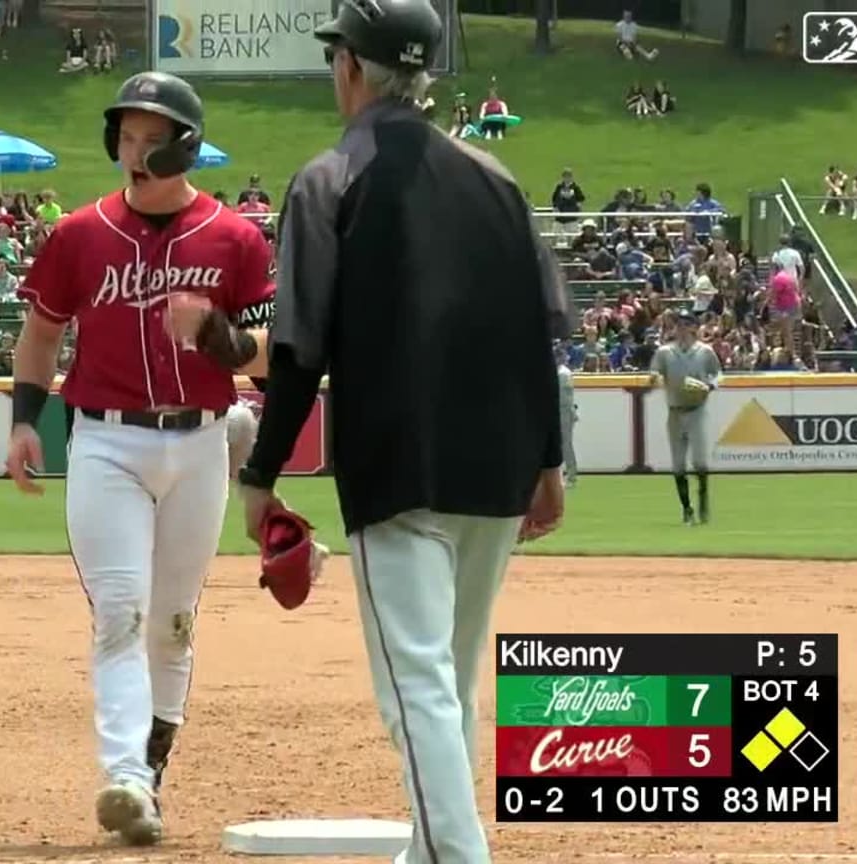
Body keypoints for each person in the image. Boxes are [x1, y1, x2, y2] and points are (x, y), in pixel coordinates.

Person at [229, 1, 568, 860]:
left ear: (349, 66)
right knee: (448, 681)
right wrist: (549, 461)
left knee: (414, 688)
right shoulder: (497, 178)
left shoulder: (329, 179)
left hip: (398, 464)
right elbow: (539, 333)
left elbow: (299, 348)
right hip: (498, 470)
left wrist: (260, 473)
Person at [3, 70, 276, 847]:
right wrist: (24, 421)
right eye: (126, 136)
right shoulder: (80, 234)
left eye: (152, 138)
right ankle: (123, 772)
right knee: (120, 608)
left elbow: (269, 357)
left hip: (200, 441)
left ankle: (149, 775)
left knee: (174, 622)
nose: (135, 151)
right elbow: (42, 335)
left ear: (185, 146)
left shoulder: (235, 238)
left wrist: (216, 334)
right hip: (106, 441)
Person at [649, 309, 721, 525]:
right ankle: (687, 508)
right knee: (678, 465)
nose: (681, 328)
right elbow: (655, 371)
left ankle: (703, 497)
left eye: (686, 324)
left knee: (699, 462)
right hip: (675, 411)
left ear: (694, 327)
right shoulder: (665, 352)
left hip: (696, 410)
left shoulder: (704, 351)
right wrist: (654, 378)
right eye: (679, 324)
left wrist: (711, 385)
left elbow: (717, 373)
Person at [557, 344, 577, 488]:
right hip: (559, 410)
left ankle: (571, 475)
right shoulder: (560, 372)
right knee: (561, 444)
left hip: (563, 410)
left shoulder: (563, 373)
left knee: (566, 444)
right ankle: (565, 474)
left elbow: (564, 397)